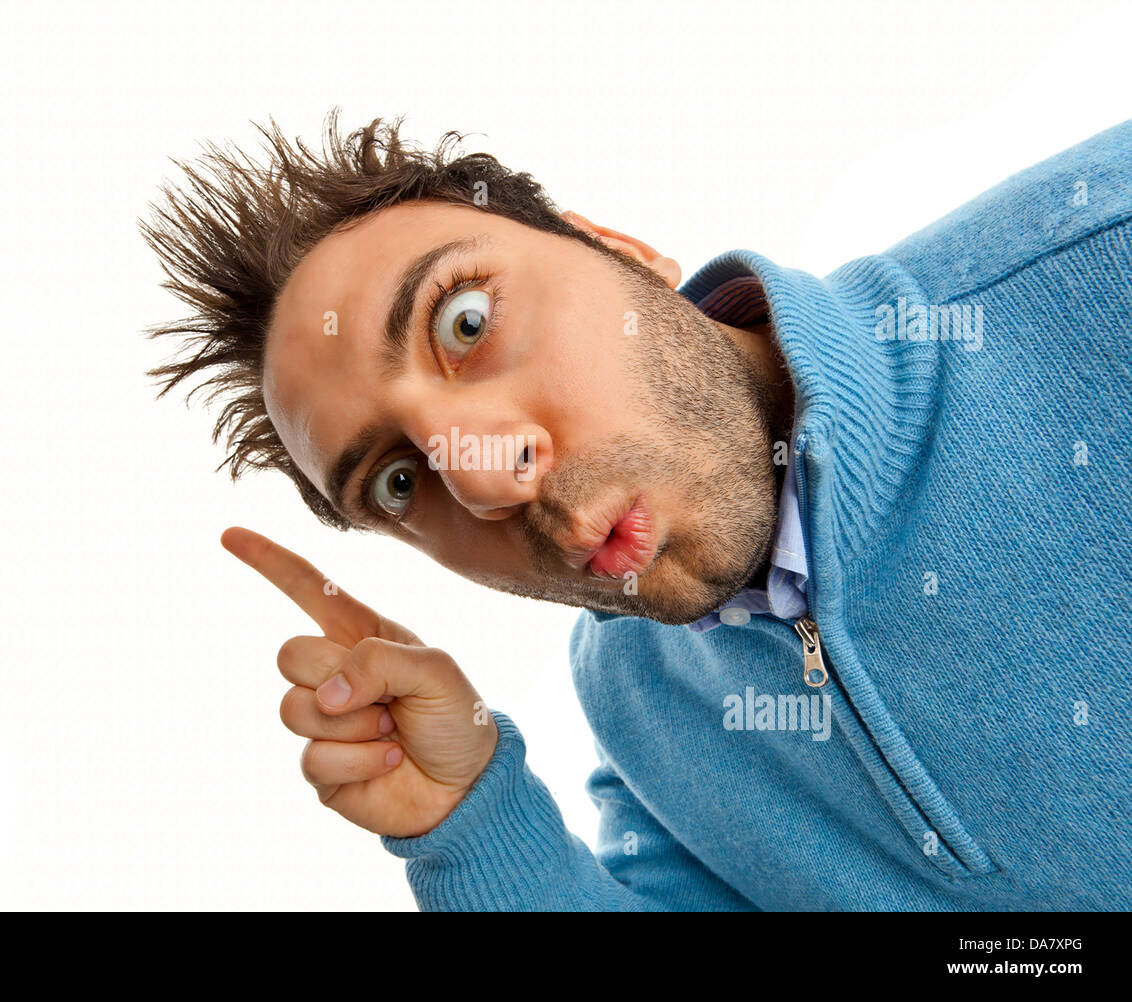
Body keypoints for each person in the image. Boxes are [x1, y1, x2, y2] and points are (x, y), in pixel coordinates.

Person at [140, 111, 1132, 909]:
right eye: (398, 484)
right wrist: (471, 827)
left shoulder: (1103, 263)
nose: (484, 477)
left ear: (622, 250)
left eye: (465, 321)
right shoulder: (642, 700)